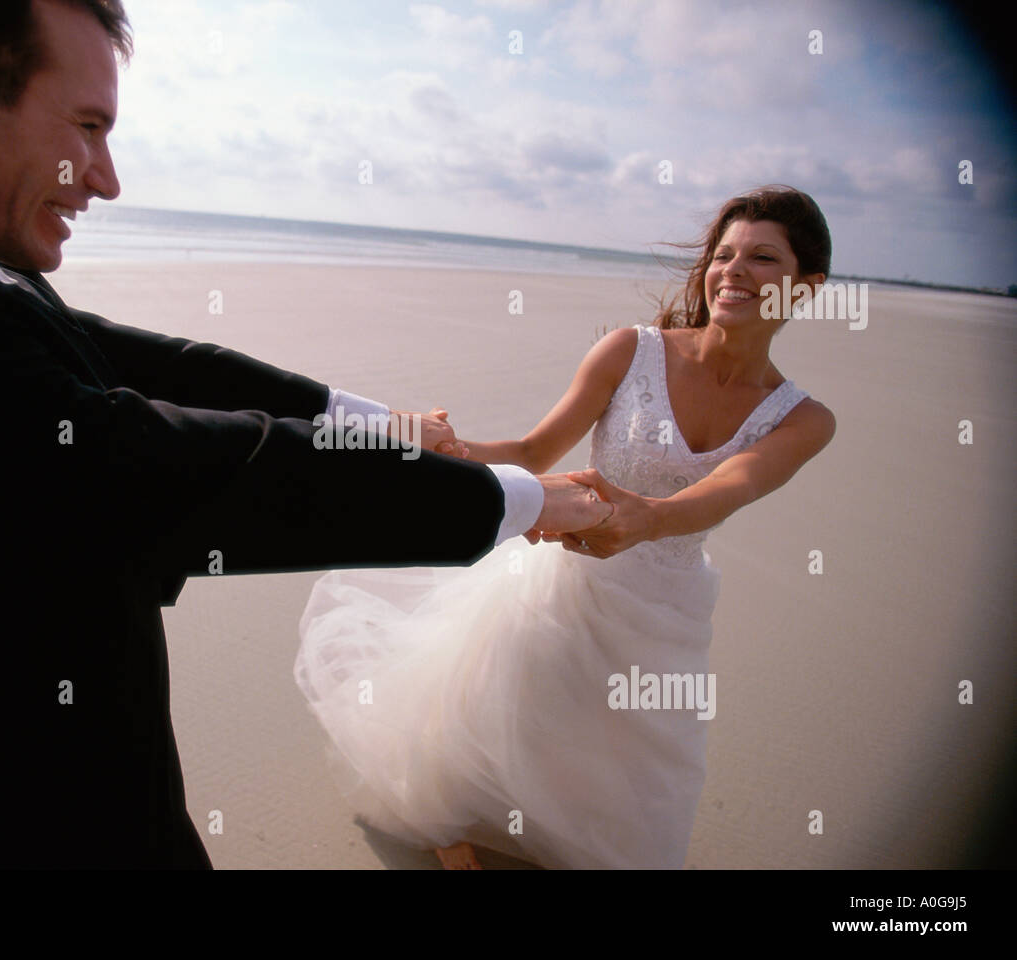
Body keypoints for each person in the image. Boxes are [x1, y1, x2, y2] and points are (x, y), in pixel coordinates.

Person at [0, 0, 611, 868]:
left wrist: (380, 427)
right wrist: (521, 500)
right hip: (31, 823)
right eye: (86, 127)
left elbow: (134, 360)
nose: (106, 178)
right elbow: (164, 468)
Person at [295, 186, 838, 869]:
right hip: (565, 575)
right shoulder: (630, 351)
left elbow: (734, 485)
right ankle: (448, 815)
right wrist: (438, 447)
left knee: (633, 761)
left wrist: (648, 519)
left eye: (763, 258)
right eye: (724, 255)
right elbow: (531, 453)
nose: (734, 271)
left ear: (806, 287)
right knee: (511, 705)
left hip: (667, 607)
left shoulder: (803, 419)